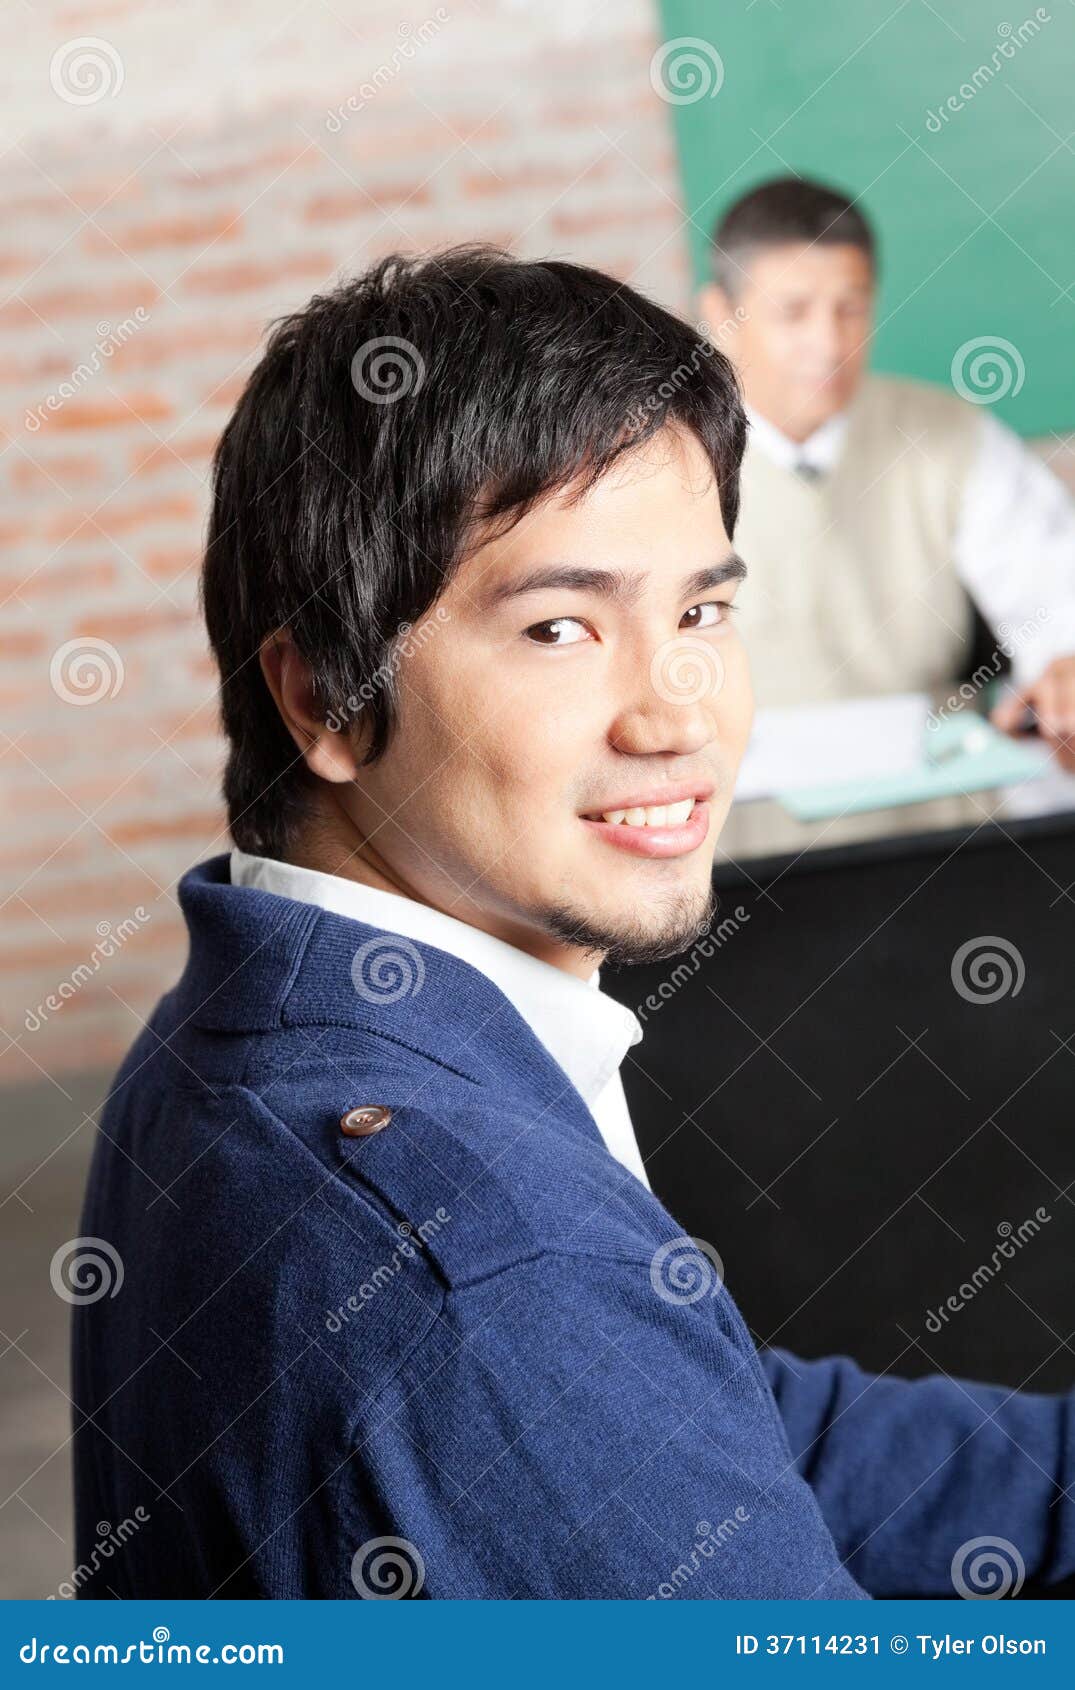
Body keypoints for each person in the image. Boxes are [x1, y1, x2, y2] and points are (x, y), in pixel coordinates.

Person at [71, 247, 1075, 1599]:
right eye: (557, 628)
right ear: (323, 696)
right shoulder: (476, 1273)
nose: (675, 714)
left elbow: (728, 1438)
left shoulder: (247, 1012)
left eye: (702, 610)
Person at [698, 176, 1075, 769]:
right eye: (792, 313)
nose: (828, 344)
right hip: (731, 812)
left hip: (939, 795)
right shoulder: (663, 459)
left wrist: (1065, 663)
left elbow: (1056, 591)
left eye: (851, 309)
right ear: (721, 316)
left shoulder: (952, 435)